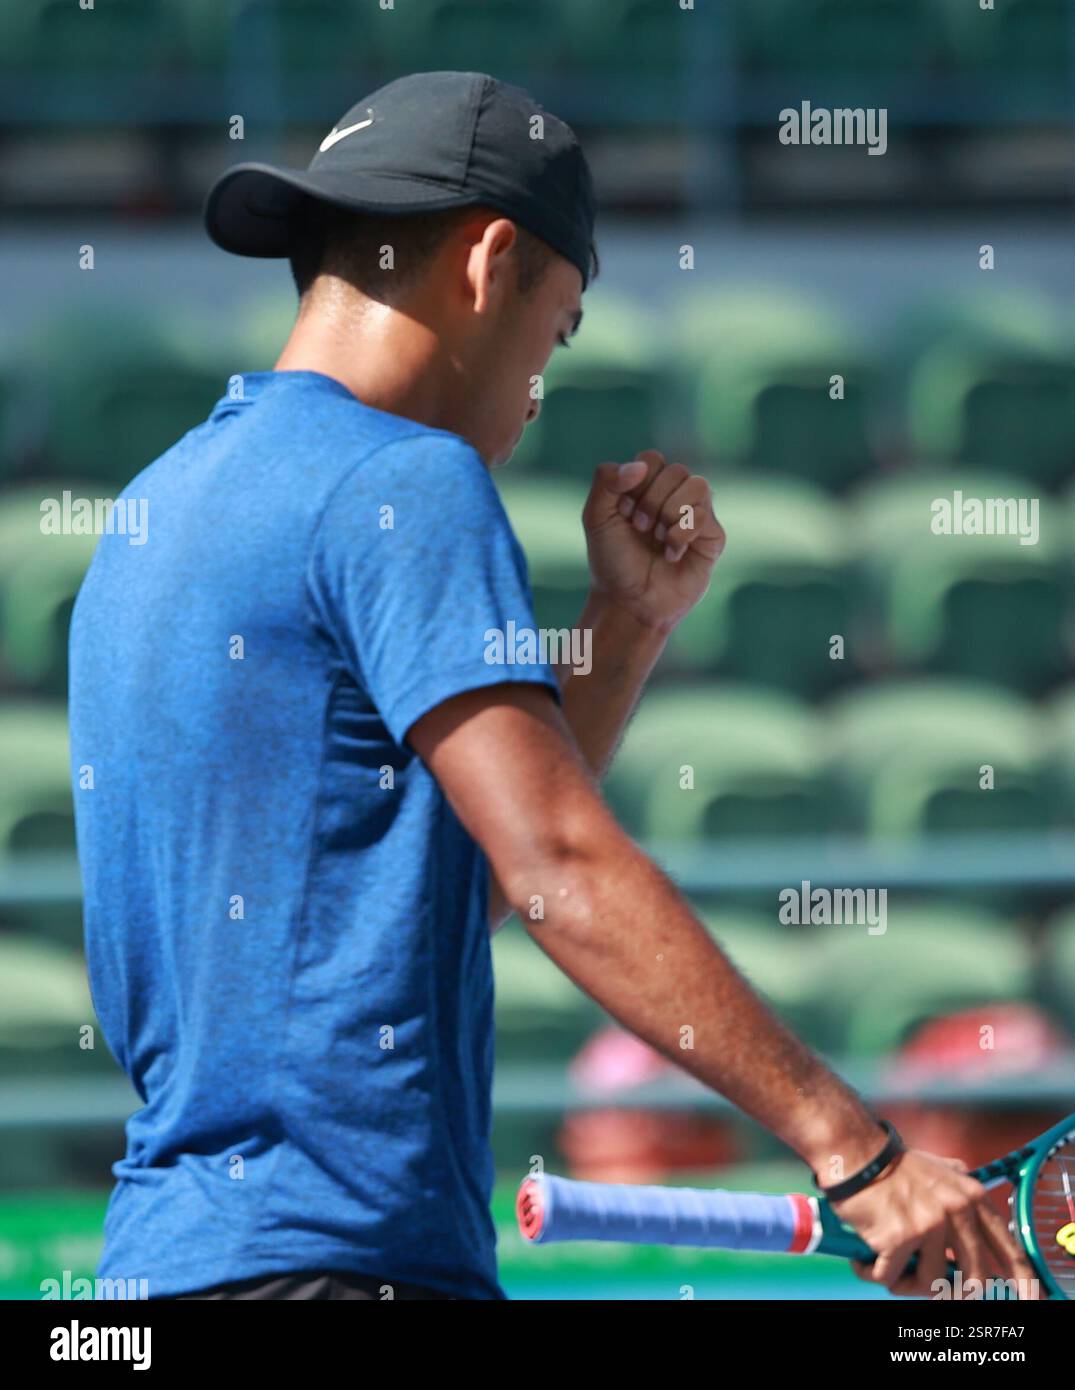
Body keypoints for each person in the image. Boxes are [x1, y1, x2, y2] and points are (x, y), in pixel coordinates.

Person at [68, 70, 1037, 1301]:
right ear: (488, 260)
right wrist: (859, 1152)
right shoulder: (408, 482)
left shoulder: (152, 508)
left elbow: (421, 900)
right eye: (559, 328)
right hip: (342, 1268)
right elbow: (558, 866)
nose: (540, 382)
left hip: (153, 1282)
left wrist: (622, 627)